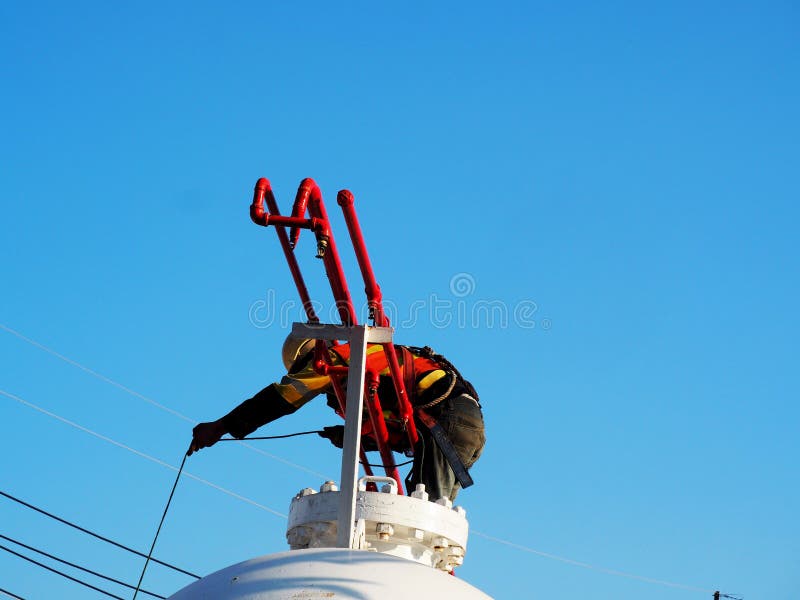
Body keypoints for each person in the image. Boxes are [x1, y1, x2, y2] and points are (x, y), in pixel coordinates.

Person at [190, 336, 485, 501]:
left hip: (447, 419)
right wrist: (352, 436)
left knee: (425, 512)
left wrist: (222, 425)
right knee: (432, 508)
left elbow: (283, 397)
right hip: (460, 425)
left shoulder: (334, 359)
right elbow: (395, 431)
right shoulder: (363, 373)